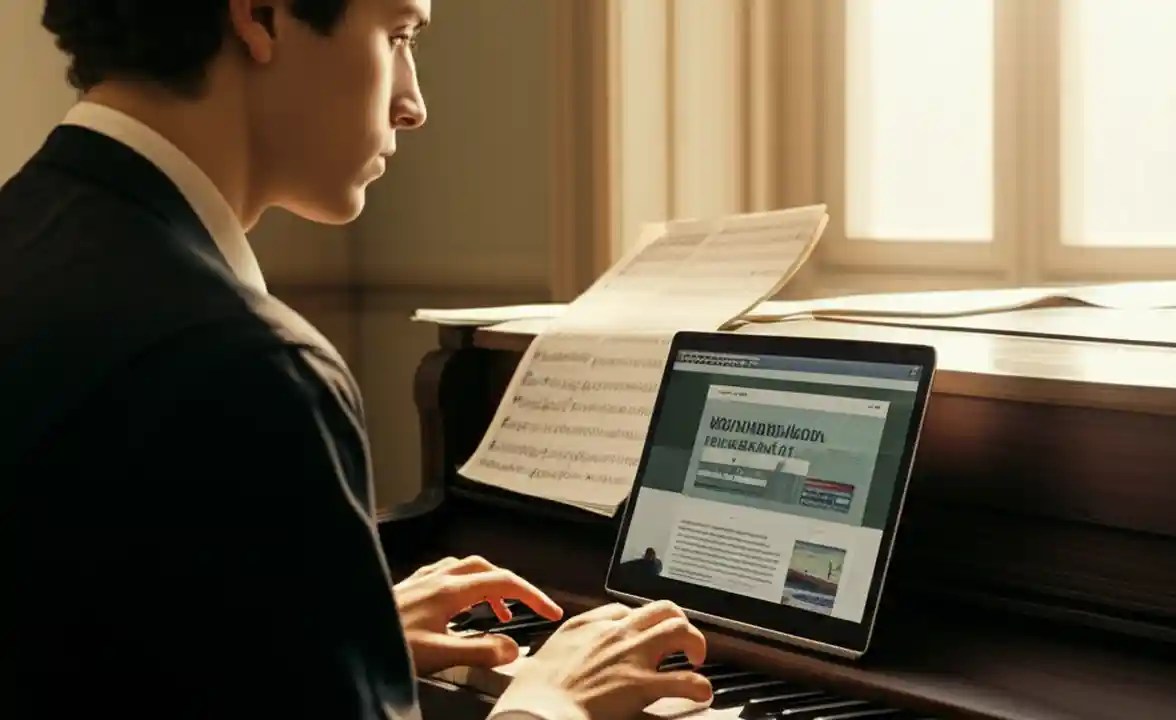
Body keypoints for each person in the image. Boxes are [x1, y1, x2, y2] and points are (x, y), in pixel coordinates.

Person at [0, 1, 712, 718]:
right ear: (260, 16)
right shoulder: (246, 365)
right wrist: (551, 703)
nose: (414, 105)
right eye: (397, 36)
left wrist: (325, 639)